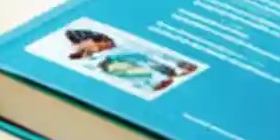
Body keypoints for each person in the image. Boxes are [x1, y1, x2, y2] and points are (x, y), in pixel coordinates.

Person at [65, 29, 198, 93]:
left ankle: (178, 66)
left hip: (118, 49)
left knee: (145, 54)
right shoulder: (92, 53)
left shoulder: (108, 42)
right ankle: (156, 81)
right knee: (113, 66)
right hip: (111, 58)